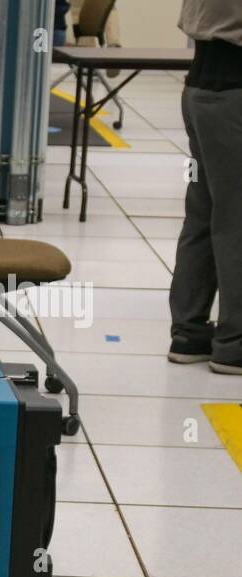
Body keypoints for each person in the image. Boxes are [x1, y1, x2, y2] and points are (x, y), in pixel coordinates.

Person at [168, 0, 242, 375]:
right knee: (234, 220)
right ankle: (235, 344)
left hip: (201, 90)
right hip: (233, 94)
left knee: (203, 214)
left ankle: (189, 332)